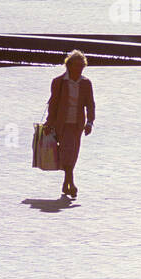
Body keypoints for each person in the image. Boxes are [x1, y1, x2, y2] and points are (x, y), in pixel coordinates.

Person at [45, 50, 95, 199]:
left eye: (82, 66)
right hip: (63, 122)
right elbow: (53, 104)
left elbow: (90, 104)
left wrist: (90, 122)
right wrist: (49, 122)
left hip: (78, 124)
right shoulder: (59, 82)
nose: (80, 69)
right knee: (67, 150)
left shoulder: (86, 83)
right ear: (69, 66)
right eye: (77, 65)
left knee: (73, 153)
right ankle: (71, 183)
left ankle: (66, 182)